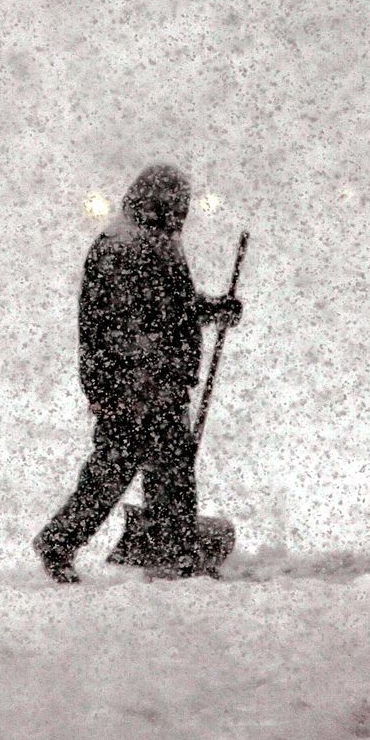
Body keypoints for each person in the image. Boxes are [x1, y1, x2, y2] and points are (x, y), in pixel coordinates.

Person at [33, 165, 242, 583]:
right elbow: (108, 325)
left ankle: (172, 551)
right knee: (122, 471)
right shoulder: (122, 247)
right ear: (157, 203)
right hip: (133, 387)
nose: (181, 215)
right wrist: (109, 388)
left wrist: (211, 309)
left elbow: (174, 306)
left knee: (166, 470)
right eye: (176, 206)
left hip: (159, 384)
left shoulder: (156, 242)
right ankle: (63, 542)